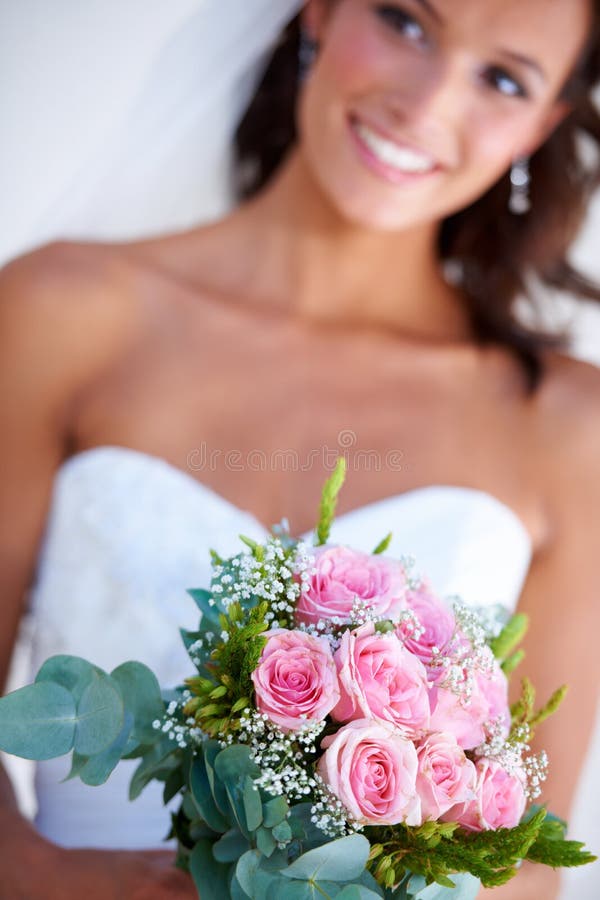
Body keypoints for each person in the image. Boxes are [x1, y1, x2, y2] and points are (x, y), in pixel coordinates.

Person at [1, 1, 599, 898]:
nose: (428, 102)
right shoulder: (58, 313)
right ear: (320, 11)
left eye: (503, 79)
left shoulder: (567, 424)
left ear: (541, 126)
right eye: (405, 21)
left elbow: (521, 866)